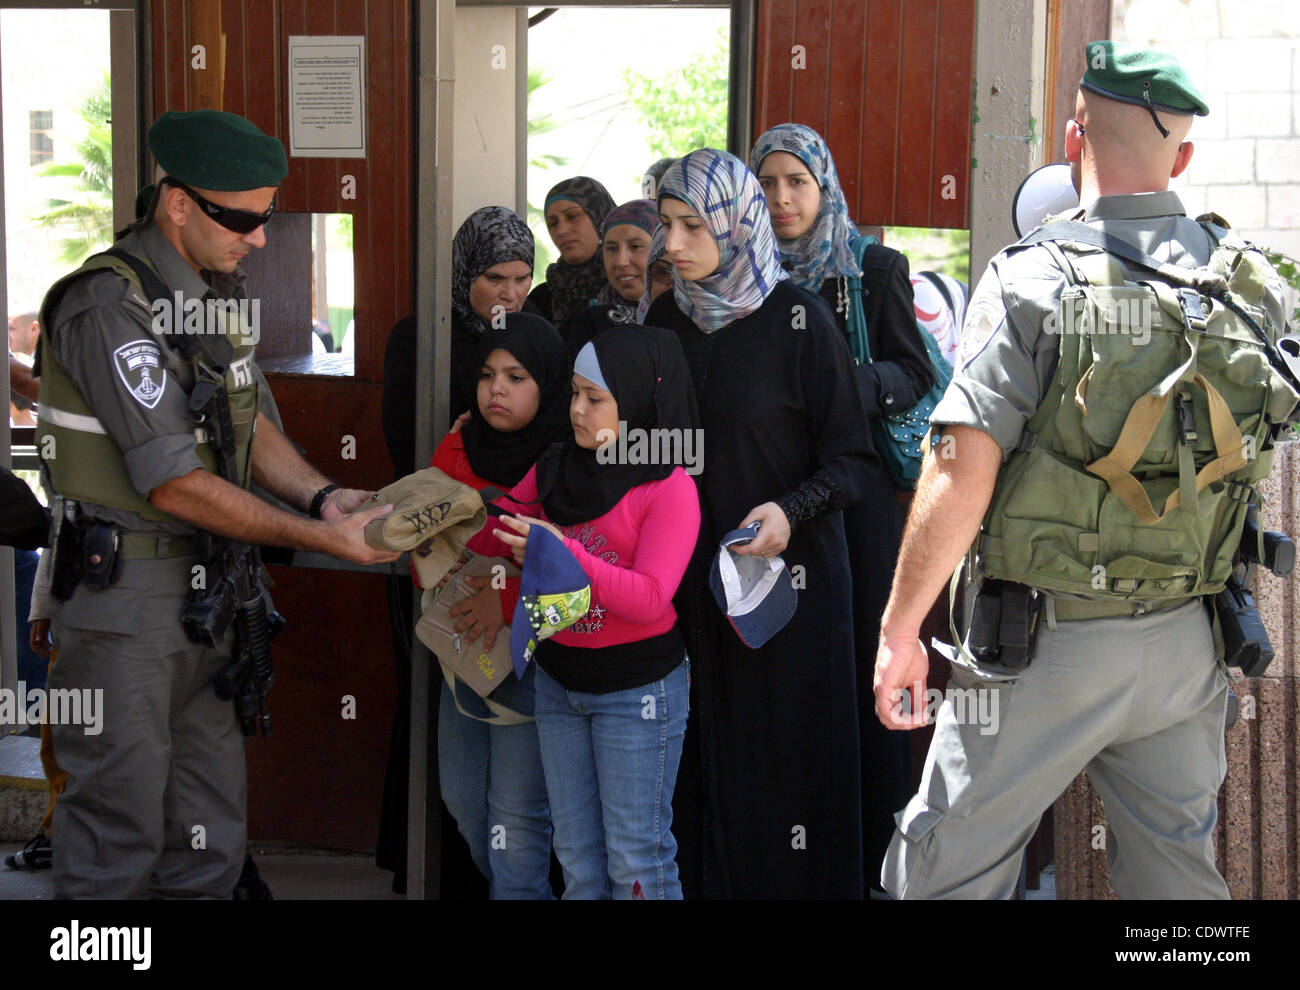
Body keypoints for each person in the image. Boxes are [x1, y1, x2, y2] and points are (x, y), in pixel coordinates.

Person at [873, 42, 1293, 899]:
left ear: (1074, 139)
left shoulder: (1030, 281)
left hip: (1046, 646)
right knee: (1177, 879)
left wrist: (900, 629)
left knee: (941, 874)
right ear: (1182, 155)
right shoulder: (1249, 284)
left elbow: (960, 470)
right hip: (1190, 643)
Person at [36, 109, 398, 899]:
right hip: (122, 606)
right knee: (114, 839)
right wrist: (321, 540)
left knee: (209, 841)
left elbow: (248, 424)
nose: (260, 238)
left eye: (265, 216)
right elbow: (172, 481)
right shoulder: (107, 307)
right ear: (175, 204)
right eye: (240, 217)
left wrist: (327, 497)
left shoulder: (209, 300)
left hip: (208, 601)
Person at [646, 148, 874, 899]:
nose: (669, 245)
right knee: (695, 762)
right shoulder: (663, 321)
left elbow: (853, 462)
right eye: (665, 224)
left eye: (689, 226)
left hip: (786, 595)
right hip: (682, 595)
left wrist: (790, 510)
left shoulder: (800, 323)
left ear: (735, 226)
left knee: (786, 775)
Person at [750, 122, 933, 896]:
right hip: (773, 507)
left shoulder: (871, 267)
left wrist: (837, 389)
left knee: (864, 669)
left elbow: (914, 371)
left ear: (824, 186)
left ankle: (875, 862)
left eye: (798, 181)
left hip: (854, 511)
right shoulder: (744, 277)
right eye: (768, 184)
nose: (784, 198)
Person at [464, 324, 701, 899]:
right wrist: (439, 507)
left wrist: (560, 551)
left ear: (640, 400)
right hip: (560, 683)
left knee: (636, 860)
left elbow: (649, 598)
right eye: (573, 392)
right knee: (576, 859)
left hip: (636, 694)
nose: (576, 409)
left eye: (595, 398)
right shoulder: (559, 463)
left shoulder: (668, 485)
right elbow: (498, 529)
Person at [423, 311, 571, 898]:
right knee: (462, 799)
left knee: (517, 815)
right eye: (487, 375)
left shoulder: (567, 456)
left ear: (549, 384)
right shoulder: (460, 442)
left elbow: (578, 562)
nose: (496, 390)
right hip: (461, 649)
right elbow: (425, 533)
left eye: (516, 377)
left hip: (529, 655)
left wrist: (504, 595)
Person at [562, 199, 661, 359]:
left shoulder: (694, 317)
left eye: (635, 246)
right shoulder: (589, 323)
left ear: (661, 249)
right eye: (611, 248)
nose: (621, 261)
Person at [526, 177, 615, 328]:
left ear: (600, 217)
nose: (561, 231)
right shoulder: (541, 298)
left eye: (572, 216)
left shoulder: (627, 284)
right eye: (553, 223)